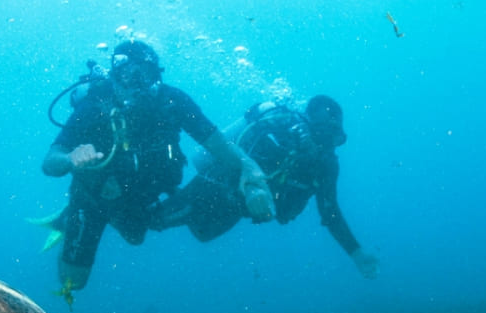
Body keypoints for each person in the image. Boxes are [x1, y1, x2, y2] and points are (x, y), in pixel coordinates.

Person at [41, 40, 273, 296]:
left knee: (135, 237)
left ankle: (105, 217)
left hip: (138, 195)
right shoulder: (95, 105)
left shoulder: (173, 102)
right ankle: (70, 216)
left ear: (157, 74)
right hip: (93, 197)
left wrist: (251, 174)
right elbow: (50, 162)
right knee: (74, 281)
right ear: (115, 76)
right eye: (128, 74)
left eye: (145, 73)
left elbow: (221, 146)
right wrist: (71, 157)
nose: (137, 83)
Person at [156, 95, 380, 279]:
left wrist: (356, 253)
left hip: (236, 211)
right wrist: (251, 185)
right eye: (323, 134)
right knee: (146, 223)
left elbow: (330, 212)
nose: (326, 145)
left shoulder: (326, 166)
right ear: (309, 124)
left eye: (335, 138)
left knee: (202, 234)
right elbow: (235, 155)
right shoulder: (275, 134)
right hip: (213, 188)